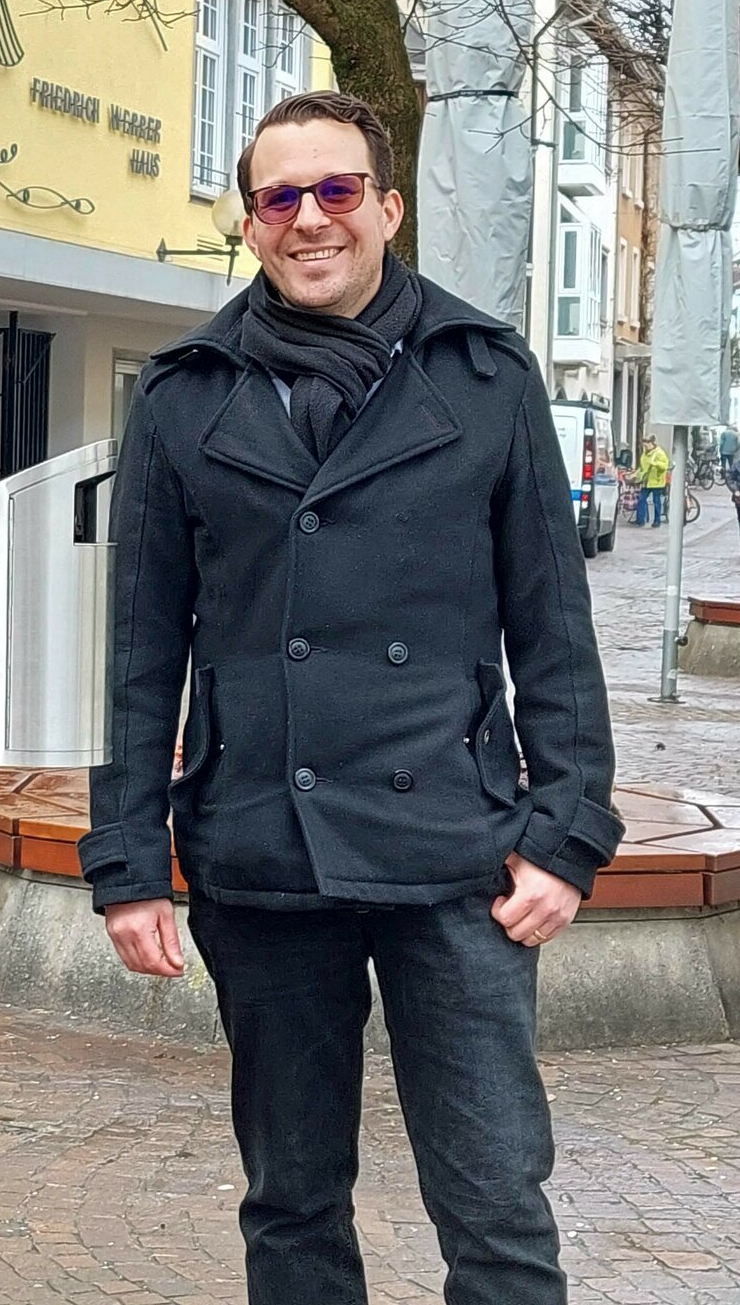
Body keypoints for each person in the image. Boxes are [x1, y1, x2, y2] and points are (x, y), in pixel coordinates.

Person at [82, 91, 622, 1305]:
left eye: (334, 192)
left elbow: (551, 627)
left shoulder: (481, 374)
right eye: (280, 197)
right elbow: (137, 651)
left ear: (385, 205)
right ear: (249, 221)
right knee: (289, 1202)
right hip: (261, 847)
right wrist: (125, 858)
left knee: (491, 1203)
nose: (308, 220)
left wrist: (565, 835)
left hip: (455, 854)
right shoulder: (182, 394)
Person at [636, 434, 670, 526]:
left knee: (656, 502)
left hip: (657, 481)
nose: (645, 445)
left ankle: (657, 521)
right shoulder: (645, 453)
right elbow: (643, 466)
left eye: (647, 443)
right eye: (644, 443)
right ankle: (640, 520)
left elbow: (665, 465)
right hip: (647, 481)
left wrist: (655, 463)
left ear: (652, 443)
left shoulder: (659, 453)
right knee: (641, 499)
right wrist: (636, 474)